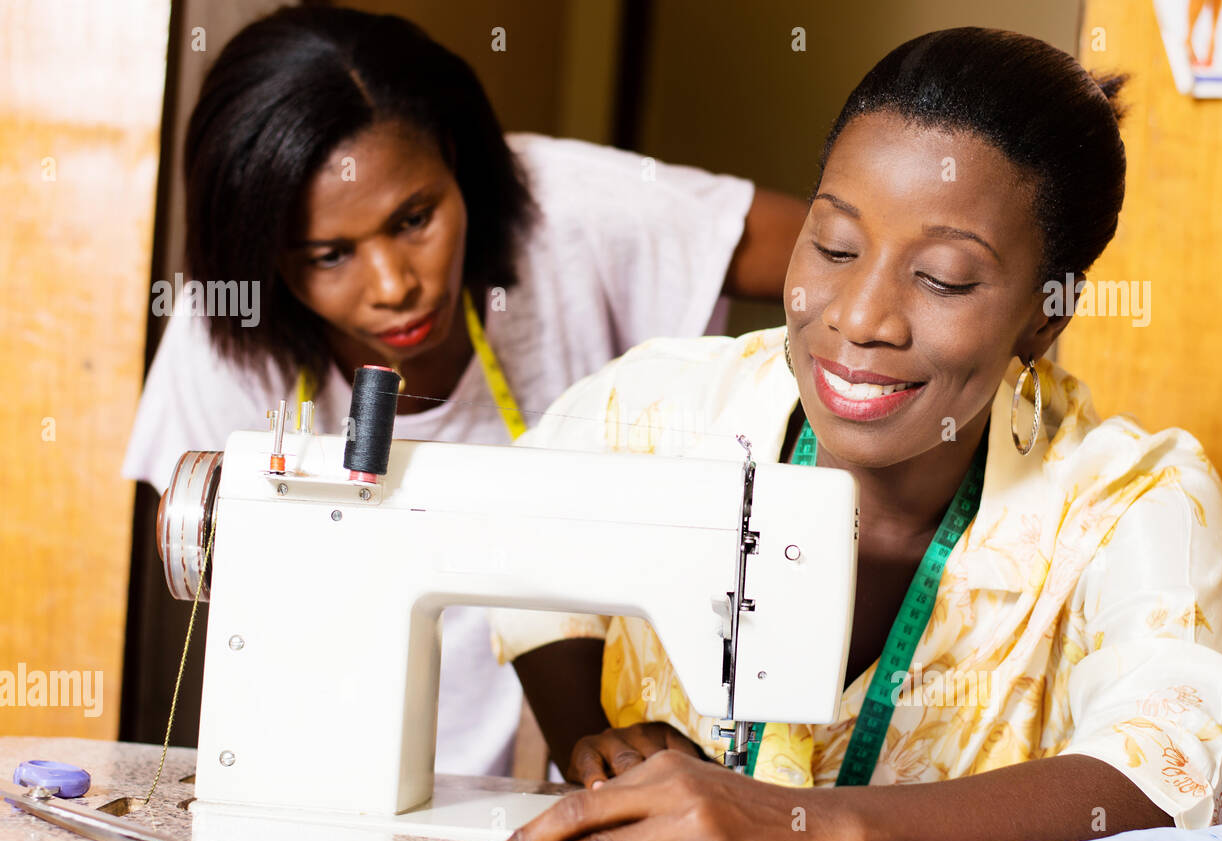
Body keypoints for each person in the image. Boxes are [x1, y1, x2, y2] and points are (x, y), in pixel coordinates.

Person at [489, 27, 1222, 841]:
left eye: (942, 278)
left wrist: (808, 825)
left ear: (1046, 314)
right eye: (834, 247)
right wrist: (595, 741)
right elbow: (520, 566)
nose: (858, 318)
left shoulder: (1130, 498)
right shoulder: (656, 408)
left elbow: (1170, 761)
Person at [120, 6, 805, 778]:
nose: (395, 286)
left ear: (451, 156)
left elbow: (840, 265)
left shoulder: (574, 211)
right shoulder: (226, 325)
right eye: (328, 254)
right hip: (325, 756)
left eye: (415, 218)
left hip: (567, 745)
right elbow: (222, 564)